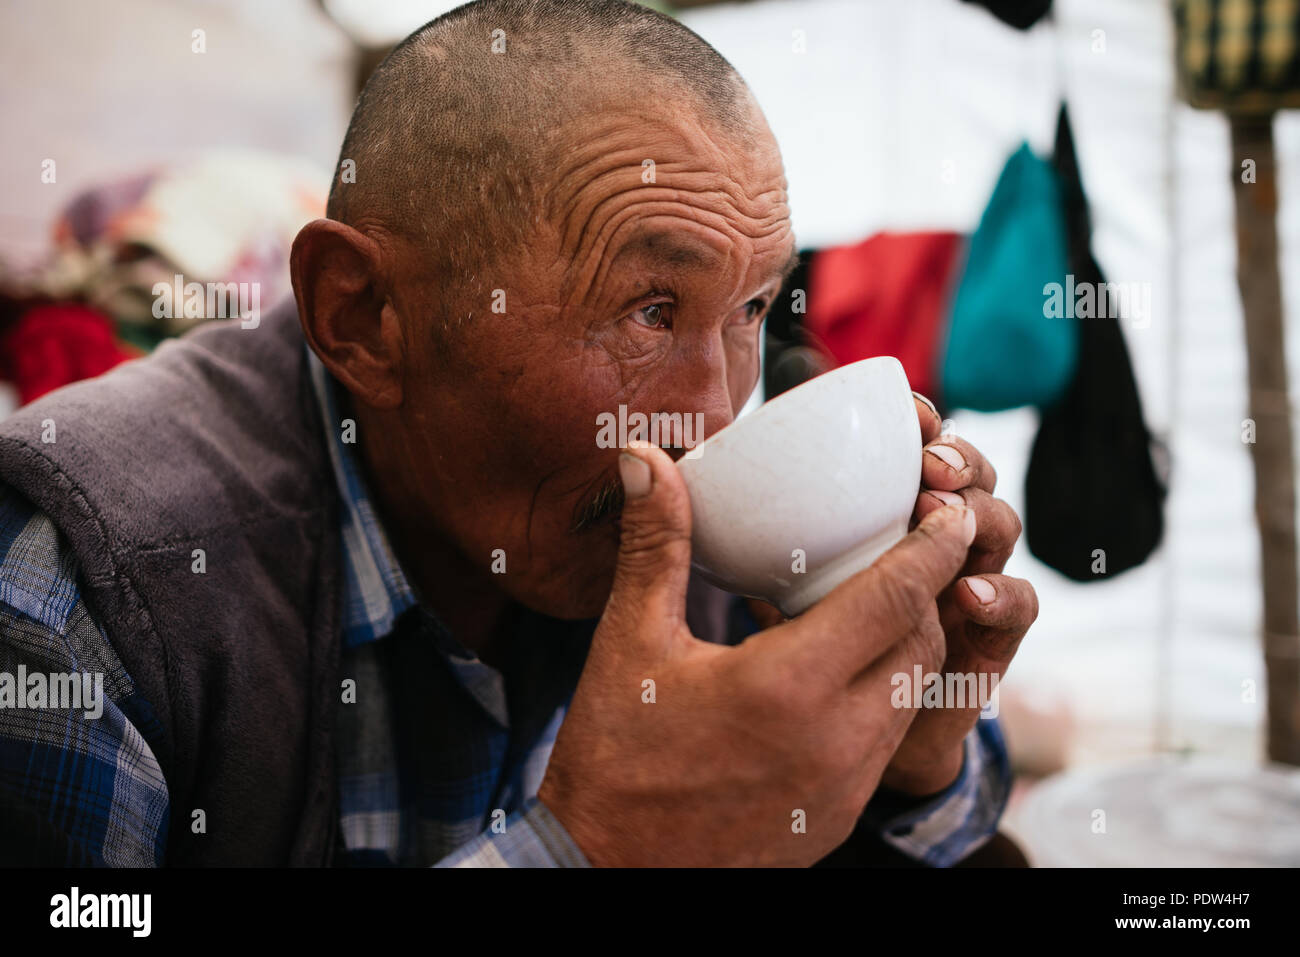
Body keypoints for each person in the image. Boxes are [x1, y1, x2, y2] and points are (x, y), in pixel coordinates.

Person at [0, 0, 1036, 867]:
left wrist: (908, 760)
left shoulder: (725, 540)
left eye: (754, 310)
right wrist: (595, 847)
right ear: (363, 316)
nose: (714, 417)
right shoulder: (78, 589)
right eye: (650, 310)